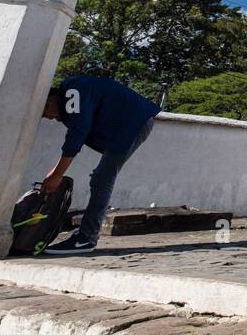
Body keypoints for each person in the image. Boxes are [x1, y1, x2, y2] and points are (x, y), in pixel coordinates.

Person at [39, 74, 161, 254]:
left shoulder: (72, 92)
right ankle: (87, 233)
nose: (50, 119)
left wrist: (57, 174)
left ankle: (86, 238)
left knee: (102, 179)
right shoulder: (75, 88)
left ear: (50, 101)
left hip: (132, 124)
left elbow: (76, 134)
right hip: (128, 123)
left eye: (45, 114)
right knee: (100, 178)